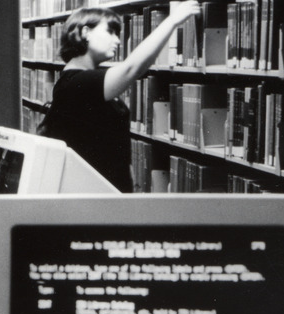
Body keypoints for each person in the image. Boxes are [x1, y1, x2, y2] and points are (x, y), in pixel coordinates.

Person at [39, 2, 200, 192]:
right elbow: (132, 68)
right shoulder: (76, 84)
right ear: (85, 32)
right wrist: (172, 21)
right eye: (110, 32)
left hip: (107, 192)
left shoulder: (84, 80)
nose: (117, 40)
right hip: (94, 198)